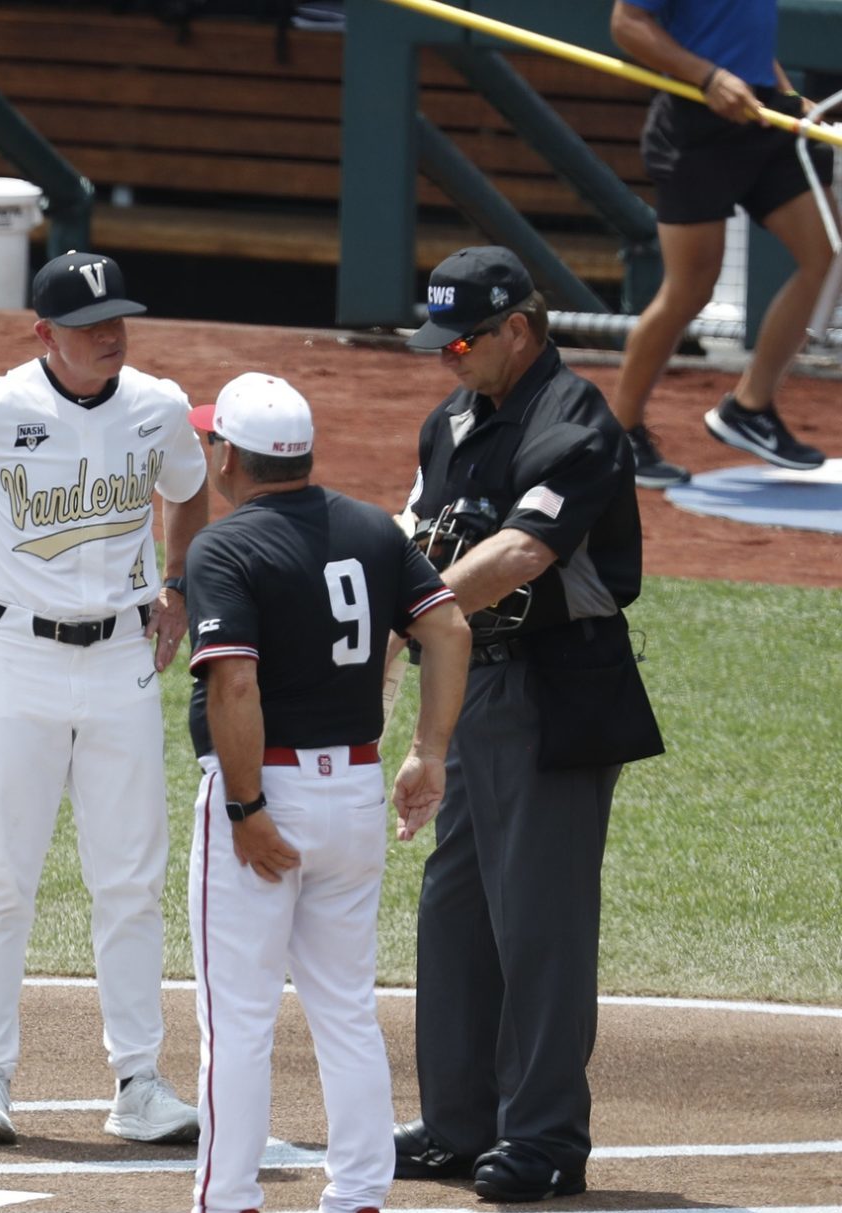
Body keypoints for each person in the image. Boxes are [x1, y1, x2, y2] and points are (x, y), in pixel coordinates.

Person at [0, 250, 210, 1146]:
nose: (110, 336)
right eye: (89, 325)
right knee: (1, 878)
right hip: (17, 659)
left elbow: (189, 486)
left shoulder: (159, 406)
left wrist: (178, 584)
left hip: (123, 661)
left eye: (118, 320)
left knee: (131, 879)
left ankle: (139, 1082)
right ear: (44, 334)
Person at [395, 246, 661, 1203]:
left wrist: (411, 613)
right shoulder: (451, 421)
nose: (446, 357)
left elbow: (517, 555)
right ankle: (457, 1123)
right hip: (472, 688)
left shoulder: (574, 421)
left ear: (518, 328)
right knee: (456, 911)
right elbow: (414, 533)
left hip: (556, 691)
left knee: (539, 921)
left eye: (461, 341)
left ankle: (544, 1136)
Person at [180, 373, 470, 1213]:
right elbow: (449, 627)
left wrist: (246, 808)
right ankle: (357, 1195)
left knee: (238, 1019)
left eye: (213, 441)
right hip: (356, 795)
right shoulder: (373, 528)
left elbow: (236, 684)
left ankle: (227, 1198)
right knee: (346, 1009)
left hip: (266, 794)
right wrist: (429, 753)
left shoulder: (224, 548)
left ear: (230, 456)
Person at [609, 0, 834, 487]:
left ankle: (749, 408)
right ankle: (619, 435)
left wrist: (790, 98)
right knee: (690, 289)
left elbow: (744, 39)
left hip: (762, 113)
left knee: (828, 258)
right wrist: (709, 77)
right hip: (695, 122)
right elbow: (627, 23)